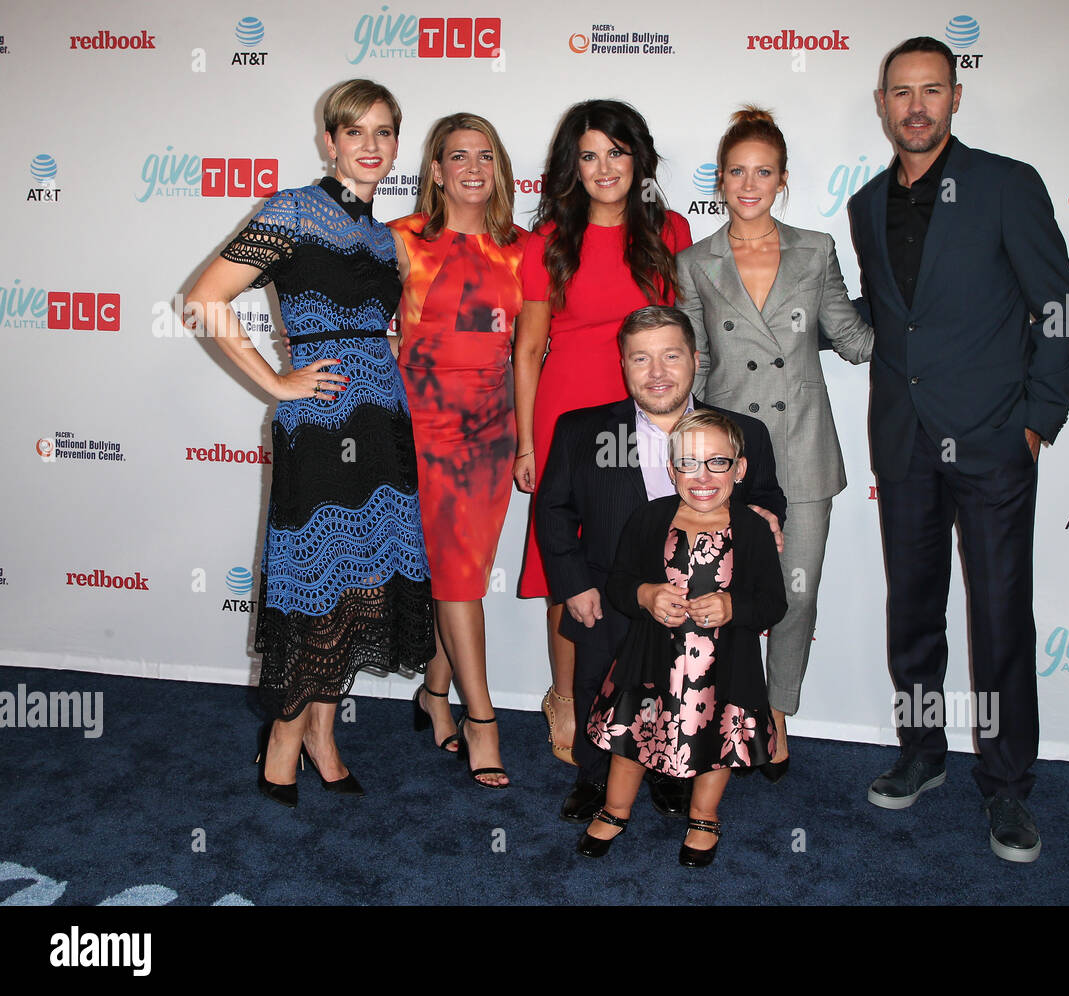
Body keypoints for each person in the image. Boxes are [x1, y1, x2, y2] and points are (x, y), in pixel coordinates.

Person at [847, 37, 1069, 862]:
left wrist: (1037, 420)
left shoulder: (1006, 186)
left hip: (991, 442)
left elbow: (1058, 307)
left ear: (955, 98)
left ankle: (1008, 785)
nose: (915, 106)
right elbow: (887, 319)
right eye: (900, 92)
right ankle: (921, 753)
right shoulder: (867, 204)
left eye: (931, 91)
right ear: (882, 104)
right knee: (912, 612)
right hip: (904, 443)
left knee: (998, 619)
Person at [186, 79, 436, 806]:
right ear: (329, 140)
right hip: (322, 424)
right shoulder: (292, 210)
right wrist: (274, 381)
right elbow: (205, 299)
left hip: (383, 420)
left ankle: (325, 736)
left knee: (362, 584)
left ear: (396, 146)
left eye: (384, 132)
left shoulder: (387, 237)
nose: (369, 146)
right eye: (355, 131)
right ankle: (286, 739)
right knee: (316, 583)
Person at [676, 106, 873, 780]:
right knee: (720, 592)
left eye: (764, 171)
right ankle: (727, 712)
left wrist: (924, 319)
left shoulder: (816, 249)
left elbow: (850, 337)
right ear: (721, 179)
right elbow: (698, 362)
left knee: (796, 595)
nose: (750, 184)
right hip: (728, 463)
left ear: (782, 178)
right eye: (738, 171)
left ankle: (775, 716)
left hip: (805, 449)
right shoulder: (695, 261)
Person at [534, 305, 786, 826]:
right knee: (600, 684)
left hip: (701, 599)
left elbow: (765, 497)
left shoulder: (744, 432)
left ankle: (674, 772)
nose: (657, 372)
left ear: (695, 360)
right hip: (608, 592)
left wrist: (764, 516)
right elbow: (553, 509)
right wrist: (573, 585)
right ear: (623, 366)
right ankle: (594, 775)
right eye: (641, 359)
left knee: (686, 690)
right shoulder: (581, 430)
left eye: (671, 356)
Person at [513, 100, 692, 767]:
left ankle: (643, 701)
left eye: (616, 152)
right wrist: (529, 443)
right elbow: (528, 348)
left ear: (638, 159)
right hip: (568, 417)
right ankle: (565, 697)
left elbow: (680, 337)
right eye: (589, 155)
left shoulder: (669, 232)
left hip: (649, 411)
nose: (604, 167)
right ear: (573, 167)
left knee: (647, 556)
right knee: (568, 563)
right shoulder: (548, 242)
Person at [578, 410, 787, 866]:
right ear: (671, 469)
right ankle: (614, 809)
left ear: (740, 468)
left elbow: (774, 602)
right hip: (650, 658)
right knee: (631, 738)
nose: (703, 476)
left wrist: (734, 608)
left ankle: (703, 816)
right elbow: (619, 584)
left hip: (727, 663)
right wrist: (645, 594)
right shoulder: (649, 517)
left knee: (716, 746)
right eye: (689, 463)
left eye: (718, 462)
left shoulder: (752, 528)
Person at [389, 113, 525, 789]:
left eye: (485, 155)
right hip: (423, 428)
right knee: (459, 575)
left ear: (498, 169)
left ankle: (433, 693)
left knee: (462, 573)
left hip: (493, 434)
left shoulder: (522, 249)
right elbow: (362, 328)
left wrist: (528, 436)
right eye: (457, 156)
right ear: (436, 170)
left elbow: (530, 353)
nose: (473, 167)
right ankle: (482, 720)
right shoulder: (400, 243)